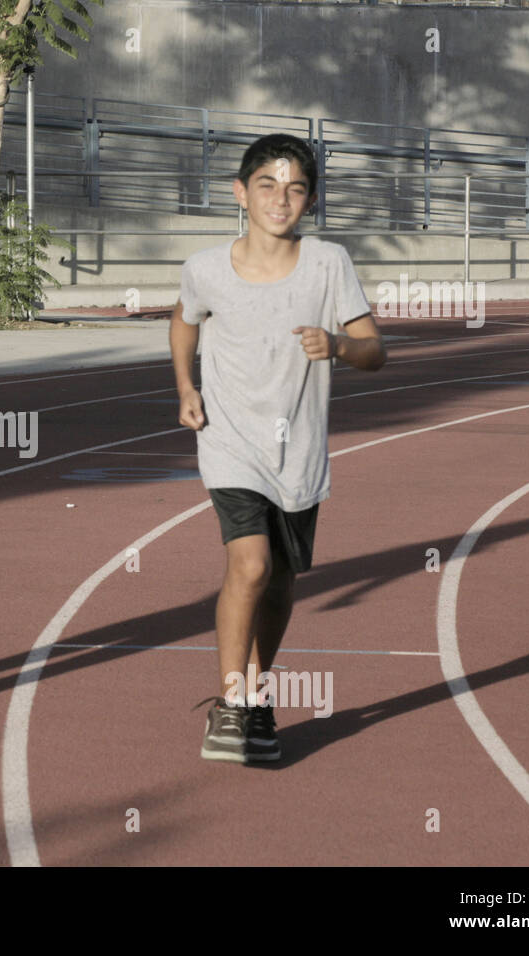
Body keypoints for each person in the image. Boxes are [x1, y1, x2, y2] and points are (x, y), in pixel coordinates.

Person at [169, 133, 386, 764]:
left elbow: (375, 349)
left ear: (310, 200)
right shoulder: (206, 267)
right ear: (240, 193)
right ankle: (232, 704)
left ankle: (258, 696)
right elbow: (185, 317)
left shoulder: (328, 263)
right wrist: (186, 387)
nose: (279, 199)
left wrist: (339, 347)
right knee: (252, 567)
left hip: (300, 452)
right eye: (267, 185)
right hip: (229, 442)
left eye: (294, 189)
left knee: (283, 580)